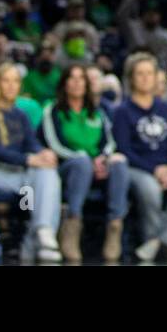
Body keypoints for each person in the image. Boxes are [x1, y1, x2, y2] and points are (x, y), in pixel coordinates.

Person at [0, 61, 63, 262]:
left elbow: (31, 143)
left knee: (47, 174)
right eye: (6, 81)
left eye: (15, 81)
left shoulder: (20, 114)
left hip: (17, 169)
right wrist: (31, 159)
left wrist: (43, 154)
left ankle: (42, 232)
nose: (11, 86)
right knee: (36, 185)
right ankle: (37, 238)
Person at [113, 52, 167, 262]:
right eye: (139, 73)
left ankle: (161, 242)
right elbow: (124, 149)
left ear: (155, 77)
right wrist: (155, 169)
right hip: (138, 168)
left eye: (149, 73)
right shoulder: (122, 111)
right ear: (131, 78)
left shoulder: (165, 108)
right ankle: (157, 240)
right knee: (149, 188)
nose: (144, 78)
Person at [41, 63, 129, 262]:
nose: (77, 83)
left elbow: (109, 142)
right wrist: (86, 160)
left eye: (81, 78)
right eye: (72, 78)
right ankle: (72, 224)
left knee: (119, 163)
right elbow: (54, 144)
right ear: (64, 84)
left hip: (96, 167)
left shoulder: (97, 112)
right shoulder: (53, 110)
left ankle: (115, 225)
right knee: (81, 163)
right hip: (67, 167)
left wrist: (103, 158)